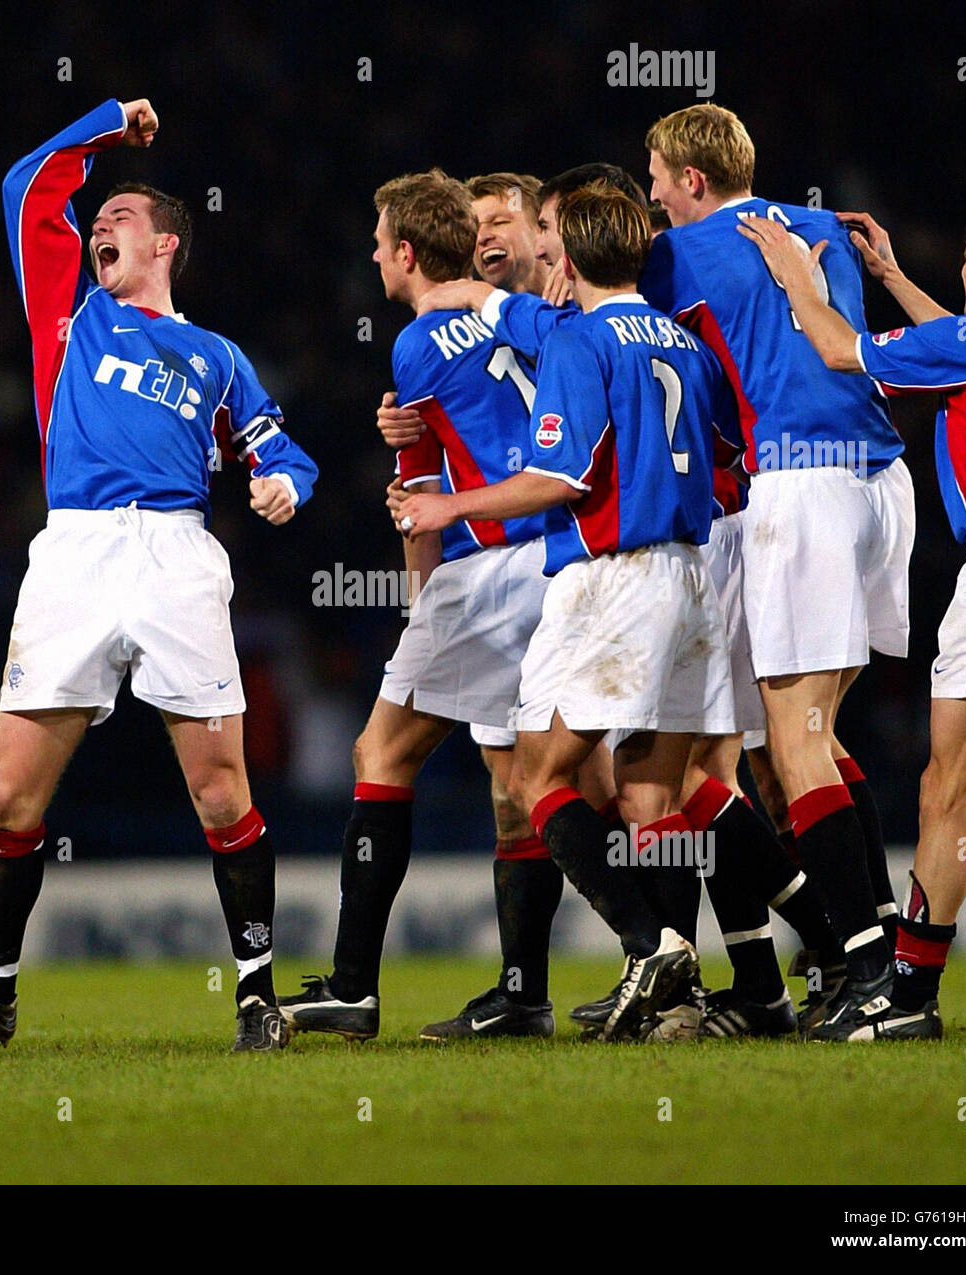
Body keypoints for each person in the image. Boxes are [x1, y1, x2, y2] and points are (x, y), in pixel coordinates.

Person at [0, 97, 317, 1056]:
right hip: (77, 552)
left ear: (166, 242)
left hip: (177, 555)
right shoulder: (69, 316)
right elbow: (26, 186)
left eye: (121, 218)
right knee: (12, 795)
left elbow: (279, 446)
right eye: (98, 221)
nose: (100, 225)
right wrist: (102, 129)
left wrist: (284, 486)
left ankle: (255, 996)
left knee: (222, 790)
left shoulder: (217, 358)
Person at [395, 185, 741, 1041]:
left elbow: (561, 476)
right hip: (694, 571)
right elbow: (729, 448)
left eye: (546, 234)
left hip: (613, 574)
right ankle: (692, 1000)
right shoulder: (680, 339)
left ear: (573, 259)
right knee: (655, 789)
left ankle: (649, 945)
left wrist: (448, 506)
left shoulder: (583, 342)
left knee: (537, 777)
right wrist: (486, 296)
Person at [642, 103, 913, 1034]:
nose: (649, 194)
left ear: (693, 181)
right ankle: (876, 943)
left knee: (788, 741)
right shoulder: (824, 223)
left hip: (801, 483)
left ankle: (868, 974)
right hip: (884, 475)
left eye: (656, 177)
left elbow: (608, 302)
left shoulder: (679, 254)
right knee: (821, 735)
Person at [278, 170, 558, 1042]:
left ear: (406, 254)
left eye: (378, 241)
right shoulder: (532, 319)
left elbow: (421, 496)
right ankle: (527, 993)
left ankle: (355, 986)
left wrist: (420, 606)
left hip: (486, 568)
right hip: (567, 560)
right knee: (519, 787)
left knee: (383, 749)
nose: (370, 255)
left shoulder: (419, 344)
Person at [739, 199, 966, 1039]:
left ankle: (909, 993)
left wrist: (798, 276)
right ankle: (905, 985)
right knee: (950, 787)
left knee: (948, 790)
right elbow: (958, 351)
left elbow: (835, 348)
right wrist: (892, 277)